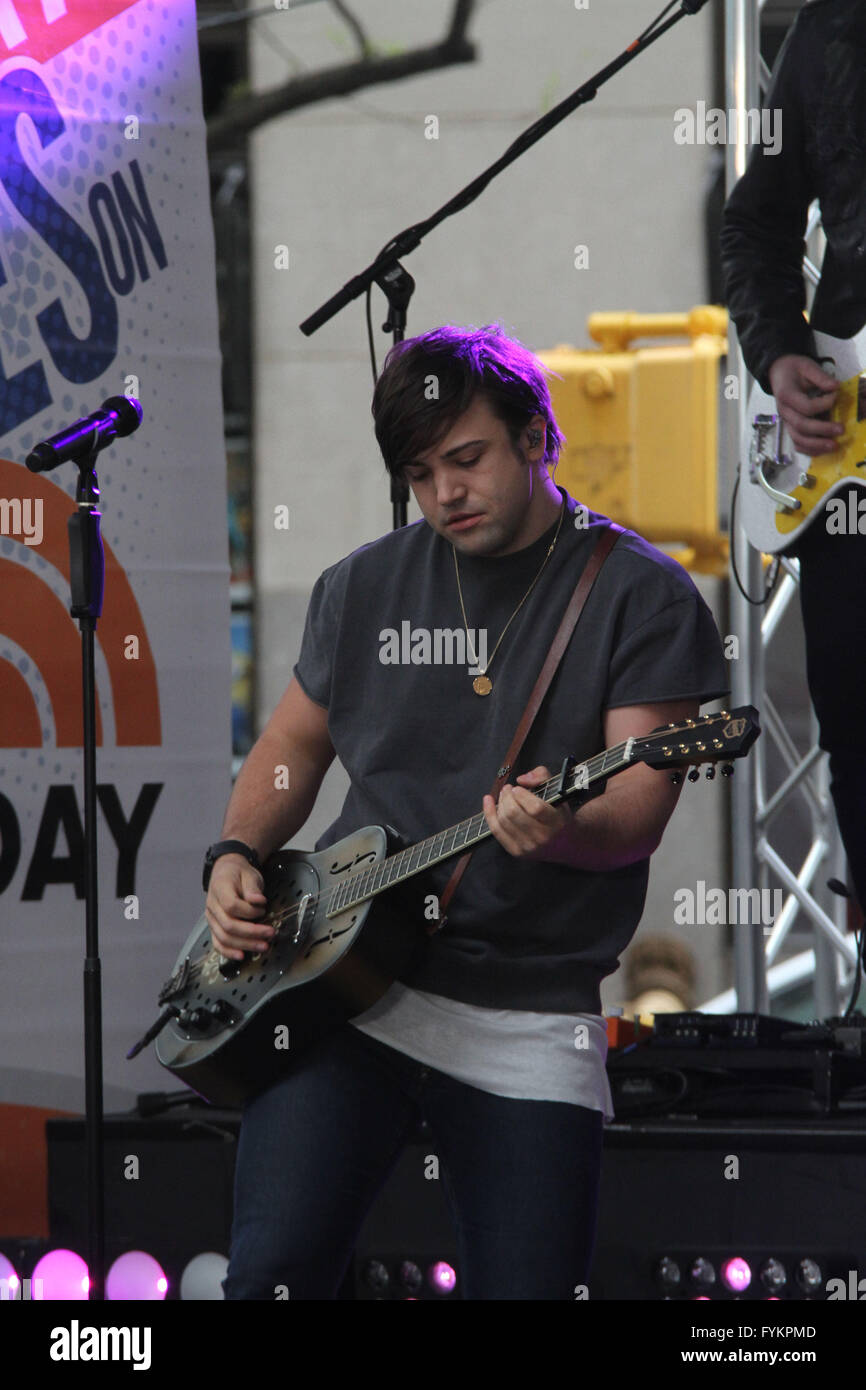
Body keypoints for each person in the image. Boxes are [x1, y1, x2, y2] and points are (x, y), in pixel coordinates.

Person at [207, 323, 728, 1300]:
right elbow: (287, 750)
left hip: (526, 1013)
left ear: (535, 437)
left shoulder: (638, 596)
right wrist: (238, 846)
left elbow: (637, 809)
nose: (444, 492)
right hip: (343, 980)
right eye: (419, 472)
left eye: (465, 458)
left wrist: (562, 828)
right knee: (270, 1273)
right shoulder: (360, 586)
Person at [721, 0, 866, 913]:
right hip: (845, 453)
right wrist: (779, 354)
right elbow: (758, 224)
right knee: (851, 709)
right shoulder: (831, 30)